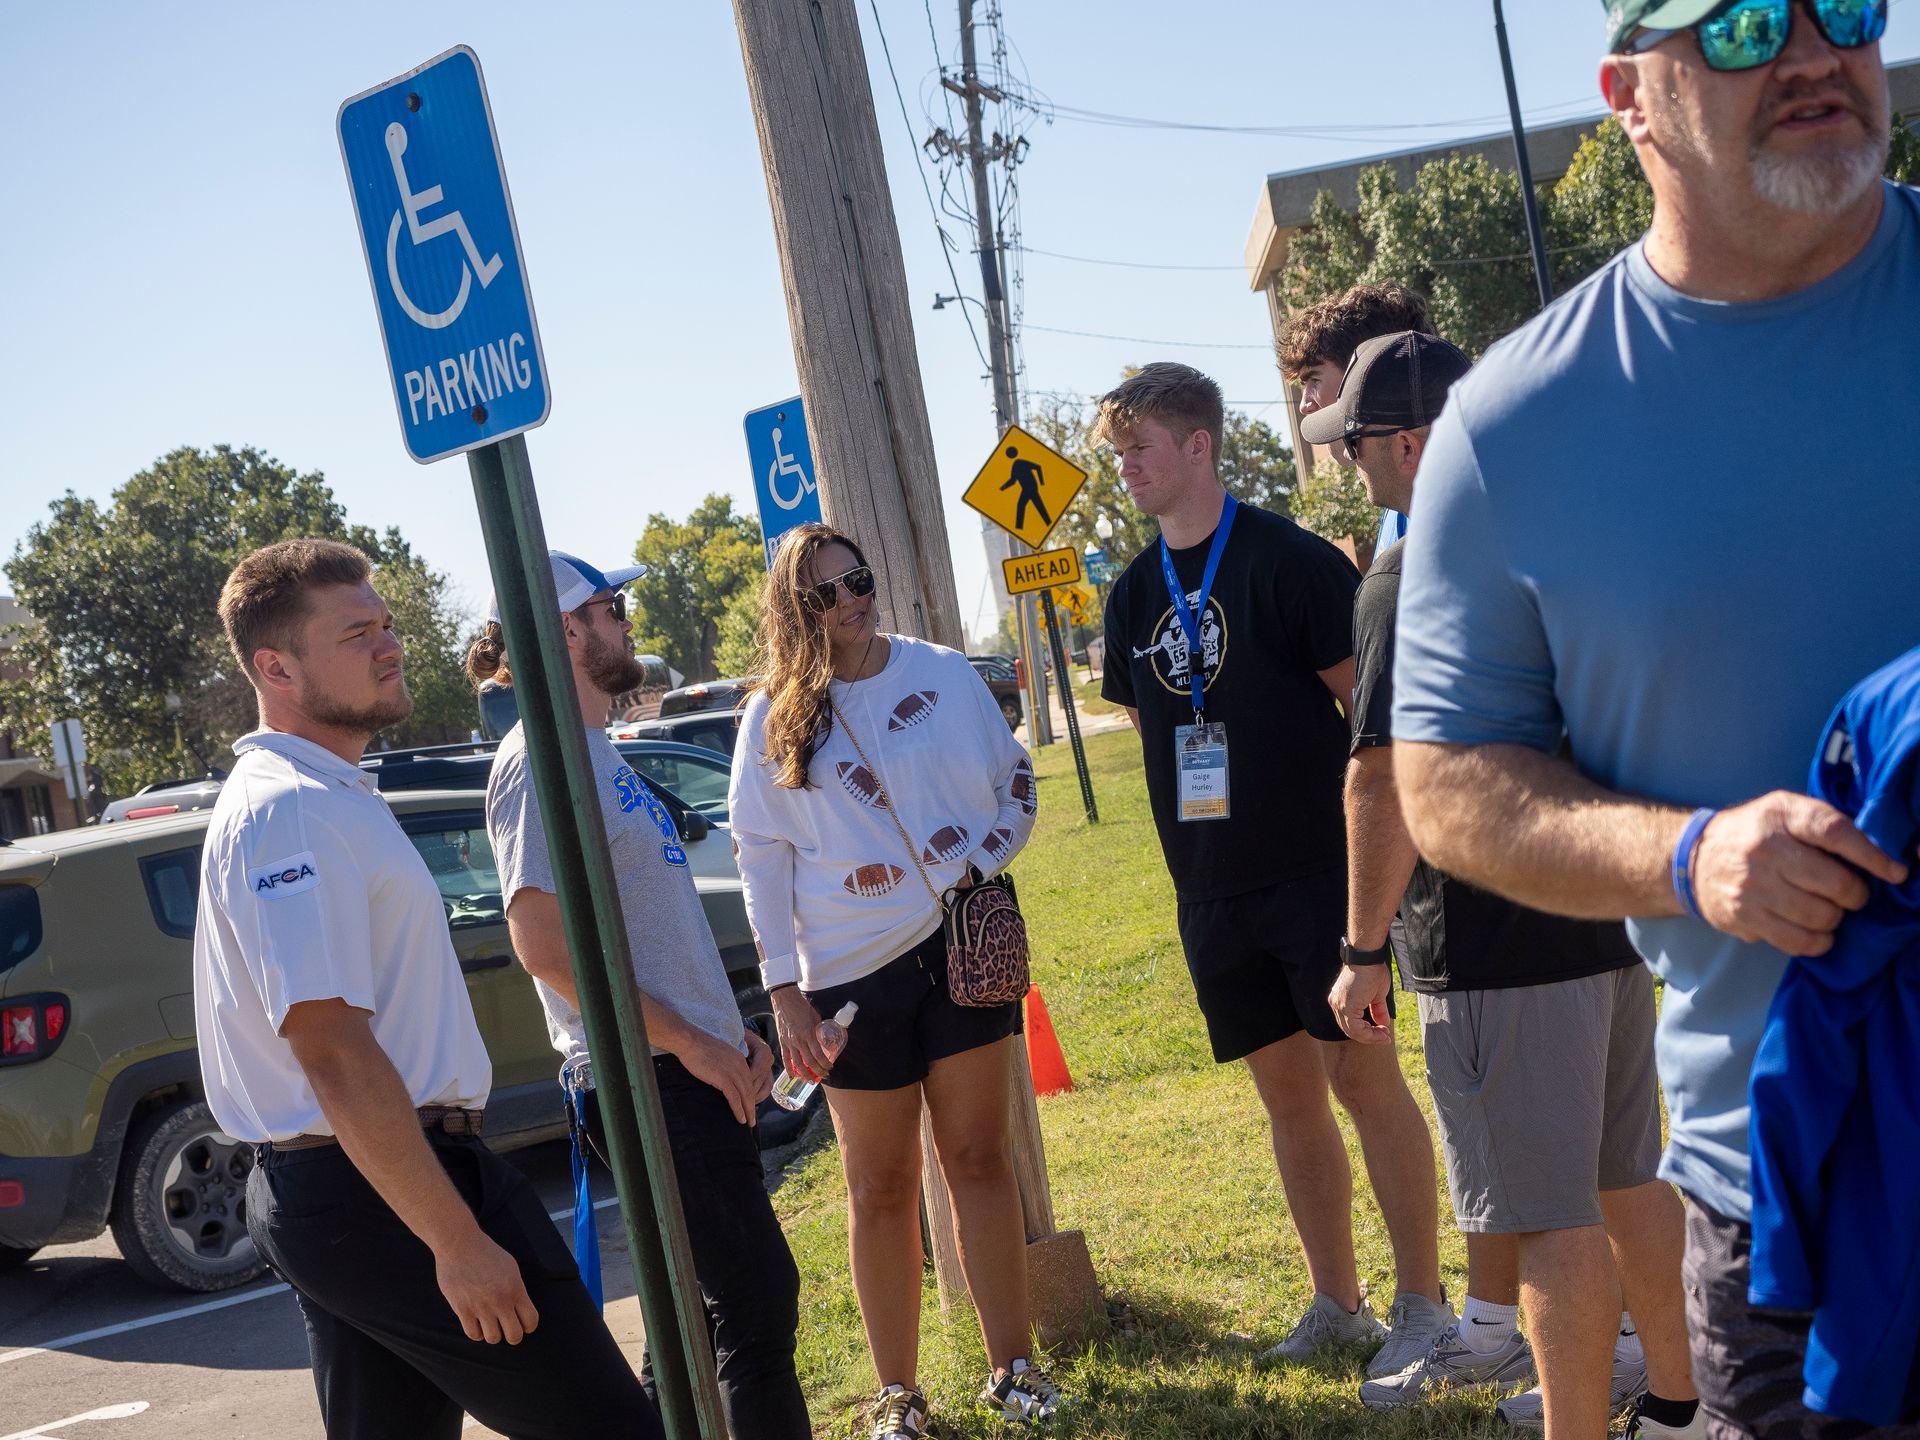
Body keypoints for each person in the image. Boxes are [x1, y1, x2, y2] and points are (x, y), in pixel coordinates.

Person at [1388, 3, 1920, 1436]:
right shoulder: (1515, 426)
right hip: (1786, 1200)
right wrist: (1692, 857)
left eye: (1849, 10)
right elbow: (1444, 781)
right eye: (1746, 23)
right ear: (1630, 95)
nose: (1814, 52)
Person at [1309, 333, 1700, 1438]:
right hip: (1603, 919)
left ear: (1419, 441)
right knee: (1629, 1179)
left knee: (1545, 1222)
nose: (1354, 466)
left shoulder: (1409, 571)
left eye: (1362, 445)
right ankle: (1677, 1406)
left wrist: (1359, 948)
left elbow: (1379, 781)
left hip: (1497, 942)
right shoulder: (1569, 536)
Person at [193, 539, 660, 1440]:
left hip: (360, 1184)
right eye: (357, 632)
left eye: (389, 624)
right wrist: (453, 1241)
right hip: (382, 1190)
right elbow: (330, 1048)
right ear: (274, 666)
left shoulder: (321, 790)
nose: (389, 645)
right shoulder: (289, 806)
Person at [1094, 361, 1448, 1376]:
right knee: (1286, 1096)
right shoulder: (1128, 598)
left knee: (1363, 1082)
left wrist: (1370, 891)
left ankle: (1424, 1302)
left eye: (1140, 449)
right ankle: (1338, 1303)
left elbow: (1367, 722)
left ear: (1199, 446)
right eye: (1119, 453)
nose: (1127, 469)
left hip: (1318, 880)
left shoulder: (1291, 565)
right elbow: (1153, 725)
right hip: (1211, 888)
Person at [726, 523, 1059, 1440]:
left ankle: (1013, 1369)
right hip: (846, 979)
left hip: (958, 953)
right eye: (826, 592)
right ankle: (899, 1398)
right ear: (797, 610)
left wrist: (973, 867)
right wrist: (783, 990)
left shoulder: (944, 674)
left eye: (859, 579)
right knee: (879, 1187)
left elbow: (1014, 786)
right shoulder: (774, 716)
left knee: (981, 1161)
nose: (850, 600)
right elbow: (759, 856)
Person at [470, 550, 809, 1440]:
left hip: (684, 1070)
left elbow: (641, 937)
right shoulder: (536, 757)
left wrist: (723, 1031)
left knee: (690, 1318)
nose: (625, 620)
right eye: (610, 606)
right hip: (646, 1079)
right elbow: (541, 944)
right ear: (565, 630)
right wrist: (689, 1044)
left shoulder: (592, 748)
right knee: (755, 1300)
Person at [1279, 282, 1433, 552]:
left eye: (1313, 379)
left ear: (1363, 372)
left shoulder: (1466, 498)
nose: (1304, 404)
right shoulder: (1396, 505)